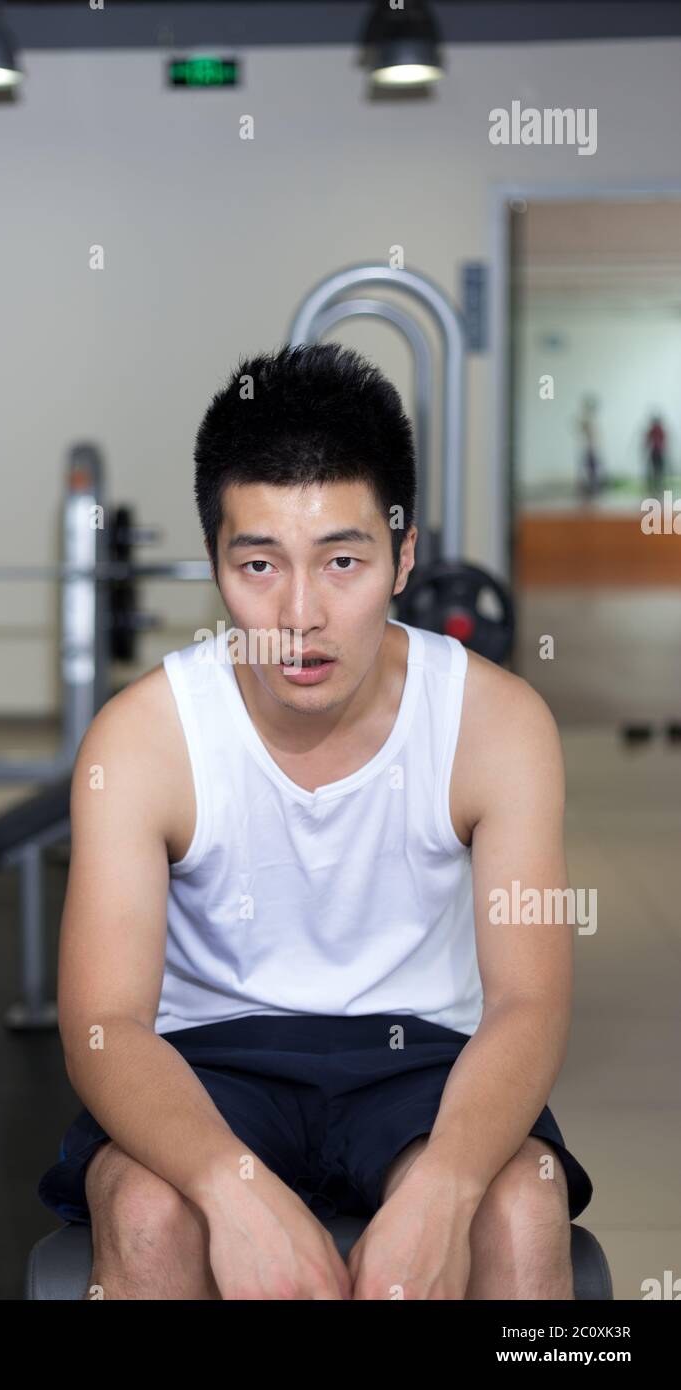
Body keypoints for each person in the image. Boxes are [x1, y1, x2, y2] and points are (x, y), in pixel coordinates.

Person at [37, 342, 593, 1300]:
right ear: (215, 562)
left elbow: (529, 1003)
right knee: (145, 1212)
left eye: (343, 560)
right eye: (259, 563)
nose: (299, 614)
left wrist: (449, 1189)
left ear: (404, 554)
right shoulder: (141, 742)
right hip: (210, 1056)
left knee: (522, 1204)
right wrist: (234, 1187)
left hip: (422, 1055)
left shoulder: (499, 727)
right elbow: (103, 1023)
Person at [644, 414, 667, 493]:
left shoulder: (656, 429)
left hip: (656, 452)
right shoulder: (657, 429)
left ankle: (657, 486)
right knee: (658, 470)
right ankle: (656, 486)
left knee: (657, 470)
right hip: (657, 452)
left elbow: (647, 441)